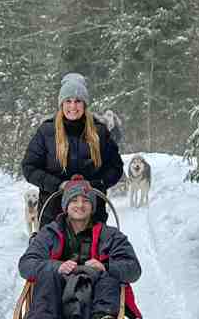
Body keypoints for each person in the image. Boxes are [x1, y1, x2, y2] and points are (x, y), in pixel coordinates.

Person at [17, 176, 141, 319]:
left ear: (92, 207)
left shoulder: (111, 235)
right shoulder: (48, 233)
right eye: (74, 200)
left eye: (85, 201)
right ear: (65, 206)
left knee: (108, 275)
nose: (80, 205)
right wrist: (56, 266)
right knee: (47, 273)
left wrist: (105, 266)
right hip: (55, 318)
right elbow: (26, 265)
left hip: (91, 314)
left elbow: (133, 269)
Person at [21, 73, 123, 225]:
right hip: (53, 215)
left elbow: (115, 168)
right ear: (61, 104)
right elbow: (29, 167)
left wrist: (95, 185)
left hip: (92, 214)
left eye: (78, 101)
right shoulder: (46, 131)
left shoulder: (99, 132)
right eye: (68, 101)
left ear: (85, 104)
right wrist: (58, 185)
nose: (73, 107)